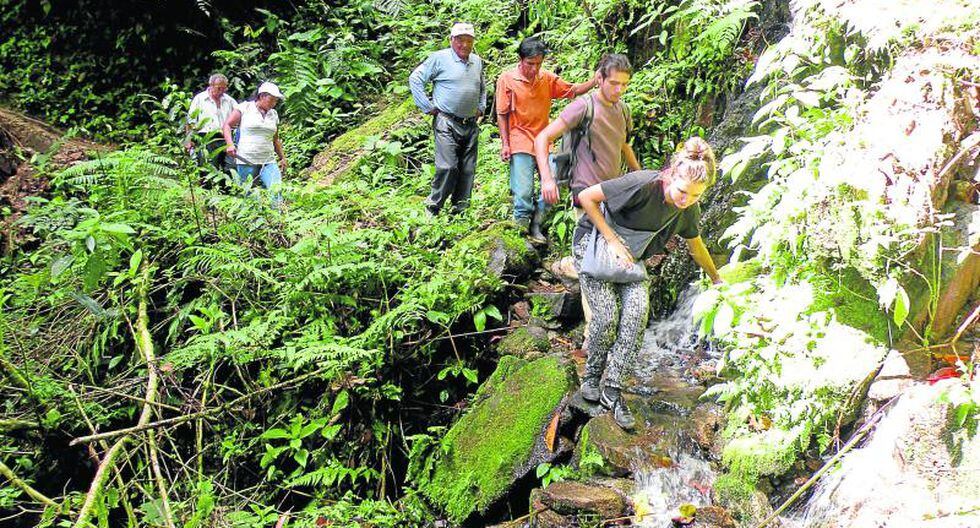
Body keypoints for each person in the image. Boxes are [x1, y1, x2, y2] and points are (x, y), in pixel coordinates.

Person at [574, 137, 722, 430]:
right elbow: (587, 197)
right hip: (593, 246)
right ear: (670, 175)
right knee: (606, 318)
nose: (685, 200)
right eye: (682, 191)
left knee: (636, 318)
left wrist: (717, 279)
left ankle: (612, 391)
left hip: (631, 261)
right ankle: (591, 379)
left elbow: (696, 246)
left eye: (695, 196)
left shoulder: (687, 210)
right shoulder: (641, 184)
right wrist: (612, 239)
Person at [534, 54, 641, 332]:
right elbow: (543, 138)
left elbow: (624, 145)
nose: (618, 90)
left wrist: (640, 179)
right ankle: (594, 334)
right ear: (599, 78)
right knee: (595, 266)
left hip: (613, 194)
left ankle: (566, 265)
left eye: (624, 85)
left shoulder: (623, 110)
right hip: (585, 193)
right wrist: (547, 179)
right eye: (614, 83)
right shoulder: (583, 107)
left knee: (606, 256)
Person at [495, 37, 597, 243]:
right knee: (523, 190)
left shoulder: (547, 79)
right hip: (519, 139)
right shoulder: (507, 79)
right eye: (530, 64)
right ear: (521, 60)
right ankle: (519, 231)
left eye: (538, 64)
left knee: (553, 184)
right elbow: (502, 113)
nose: (534, 69)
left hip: (544, 138)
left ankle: (536, 224)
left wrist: (595, 81)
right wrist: (505, 143)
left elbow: (572, 90)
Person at [409, 22, 487, 216]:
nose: (465, 45)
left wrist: (481, 107)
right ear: (451, 40)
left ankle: (460, 211)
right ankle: (433, 207)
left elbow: (482, 86)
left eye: (468, 41)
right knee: (448, 166)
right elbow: (416, 78)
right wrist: (427, 106)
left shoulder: (476, 61)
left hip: (469, 123)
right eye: (460, 40)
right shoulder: (439, 58)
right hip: (446, 121)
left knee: (468, 169)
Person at [222, 82, 288, 207]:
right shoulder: (245, 108)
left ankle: (278, 221)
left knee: (276, 189)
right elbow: (227, 125)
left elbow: (275, 139)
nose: (274, 103)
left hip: (268, 160)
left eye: (276, 101)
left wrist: (282, 157)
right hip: (246, 159)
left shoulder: (273, 114)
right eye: (271, 100)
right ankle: (253, 223)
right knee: (249, 194)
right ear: (262, 96)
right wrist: (230, 144)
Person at [186, 73, 237, 170]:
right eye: (219, 88)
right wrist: (188, 140)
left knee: (230, 168)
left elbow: (239, 115)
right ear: (211, 86)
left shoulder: (229, 100)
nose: (221, 91)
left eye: (224, 88)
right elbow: (190, 120)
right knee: (208, 168)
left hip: (225, 137)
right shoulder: (200, 99)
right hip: (206, 137)